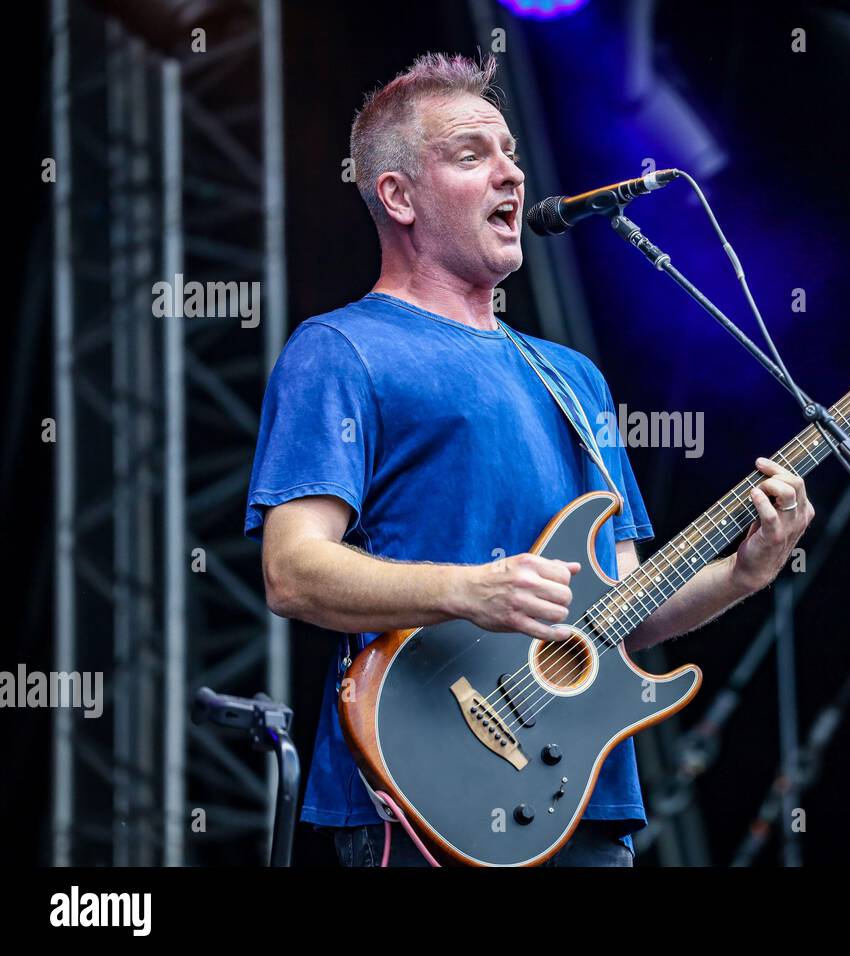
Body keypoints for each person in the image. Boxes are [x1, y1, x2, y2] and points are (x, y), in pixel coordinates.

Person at [244, 52, 814, 867]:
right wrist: (469, 590)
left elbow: (621, 612)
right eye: (473, 155)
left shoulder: (573, 376)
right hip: (416, 794)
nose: (511, 174)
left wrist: (746, 573)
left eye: (511, 152)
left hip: (576, 801)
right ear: (399, 196)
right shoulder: (340, 349)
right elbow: (292, 572)